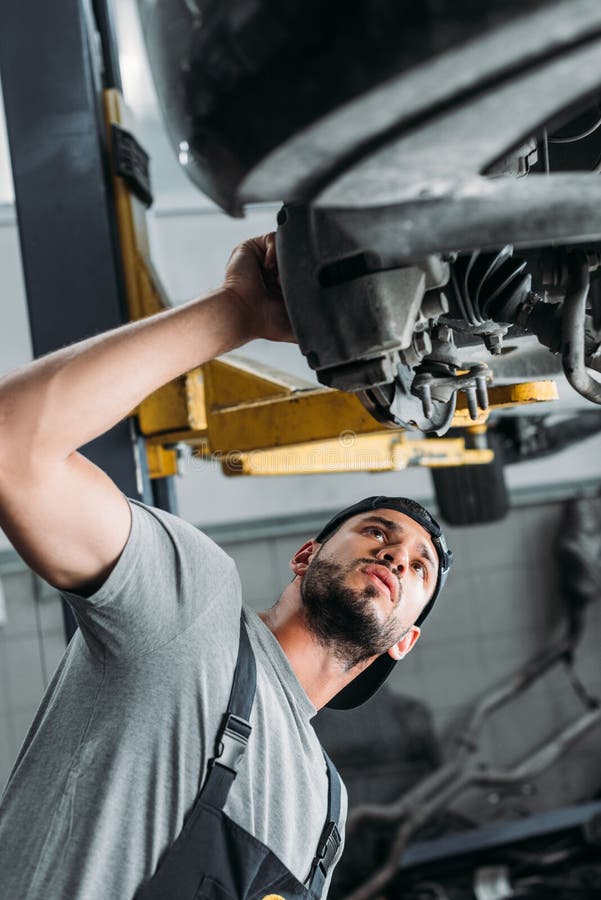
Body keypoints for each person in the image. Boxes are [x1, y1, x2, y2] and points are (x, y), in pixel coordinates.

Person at [0, 233, 452, 900]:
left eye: (418, 568)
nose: (395, 555)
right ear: (306, 557)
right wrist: (237, 312)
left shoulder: (326, 810)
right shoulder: (193, 606)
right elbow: (14, 446)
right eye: (376, 532)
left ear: (405, 639)